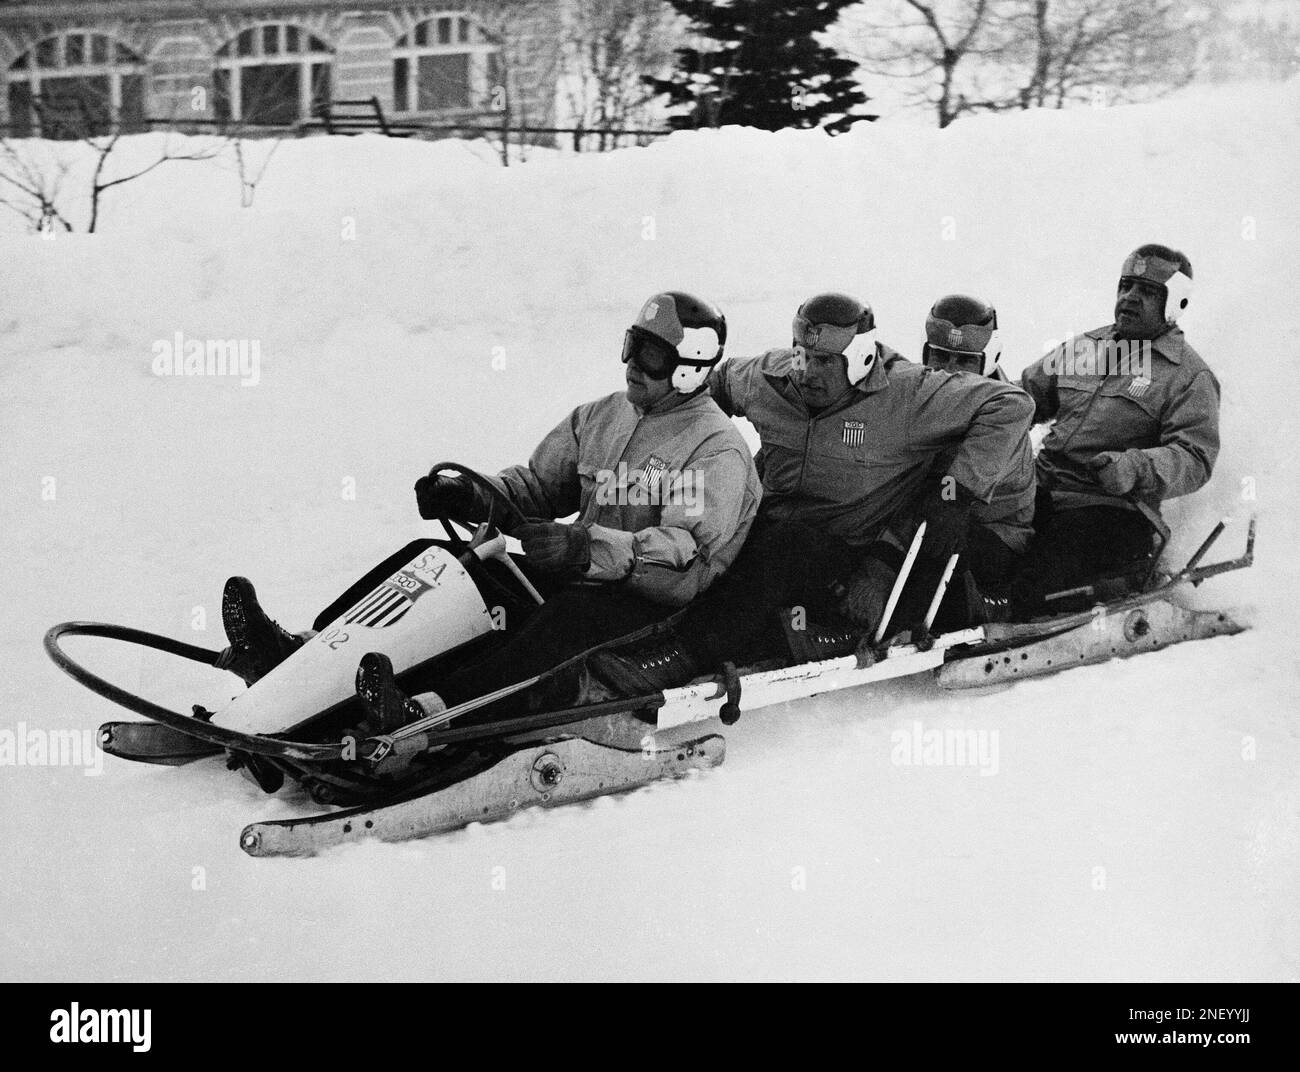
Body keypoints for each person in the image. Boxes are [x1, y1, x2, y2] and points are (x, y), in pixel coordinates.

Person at [215, 292, 762, 730]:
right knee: (442, 563)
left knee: (553, 627)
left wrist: (583, 547)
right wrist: (476, 496)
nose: (632, 366)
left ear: (689, 368)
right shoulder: (605, 415)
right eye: (630, 346)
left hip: (647, 602)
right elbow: (538, 488)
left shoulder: (712, 448)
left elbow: (683, 555)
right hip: (577, 570)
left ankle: (423, 717)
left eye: (651, 356)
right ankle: (300, 659)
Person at [588, 291, 1036, 695]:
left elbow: (1011, 405)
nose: (808, 372)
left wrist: (956, 494)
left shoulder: (909, 393)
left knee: (784, 547)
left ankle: (681, 656)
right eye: (804, 355)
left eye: (826, 362)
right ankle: (611, 630)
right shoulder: (768, 376)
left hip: (843, 546)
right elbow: (707, 390)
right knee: (701, 537)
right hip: (764, 521)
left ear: (860, 360)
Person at [1008, 244, 1220, 615]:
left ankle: (1022, 612)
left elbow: (1195, 458)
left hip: (1112, 510)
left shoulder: (1187, 376)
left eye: (1148, 291)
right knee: (971, 539)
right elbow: (1018, 400)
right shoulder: (1084, 348)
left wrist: (1134, 466)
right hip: (1040, 490)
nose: (1130, 298)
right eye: (1126, 286)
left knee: (1032, 583)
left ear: (1175, 304)